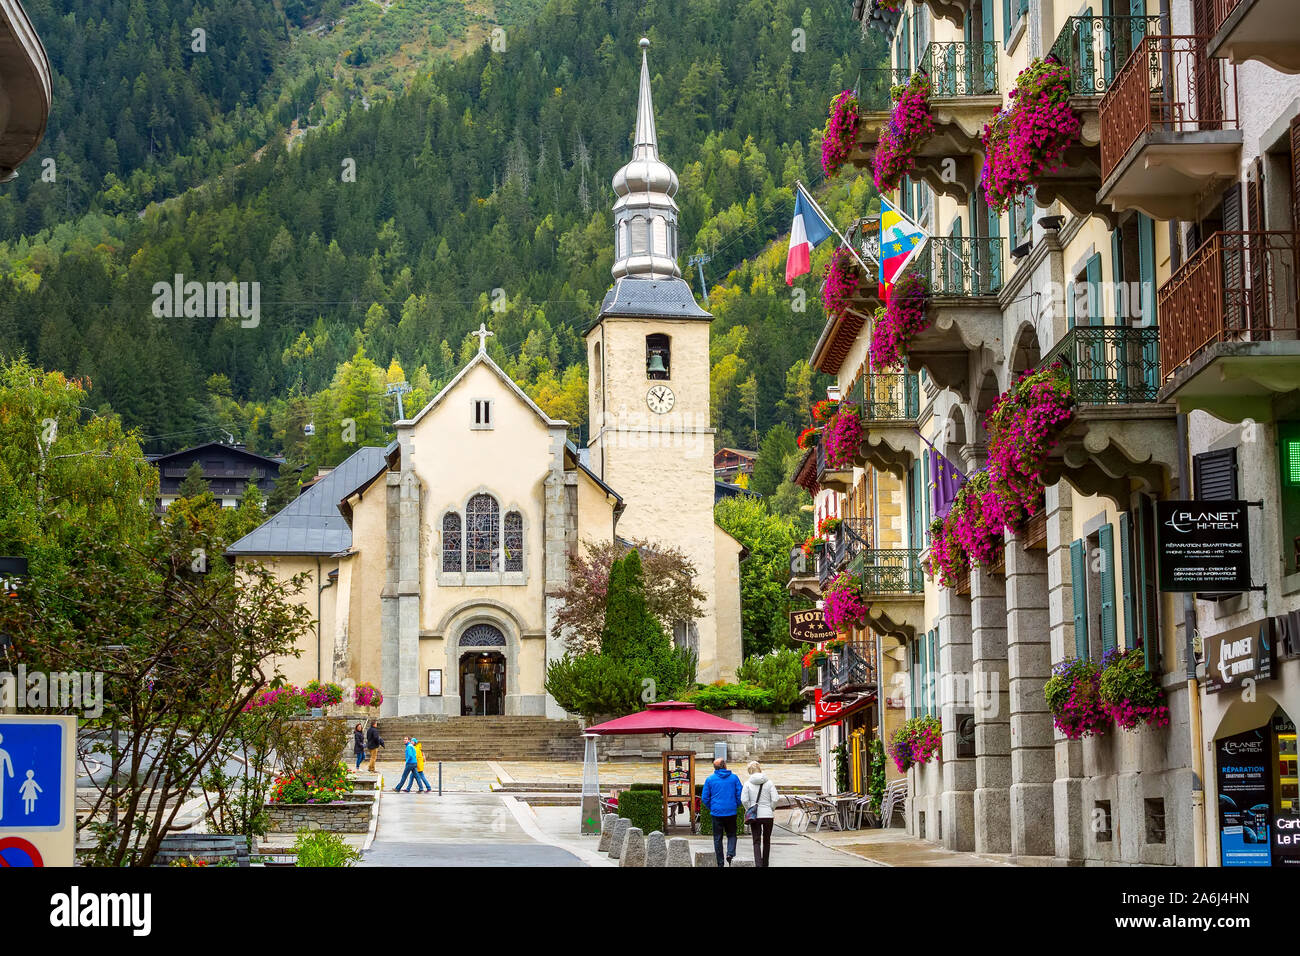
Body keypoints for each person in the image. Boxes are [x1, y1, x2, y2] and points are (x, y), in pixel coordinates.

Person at [701, 757, 743, 867]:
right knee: (732, 835)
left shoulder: (710, 779)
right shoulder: (734, 778)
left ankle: (720, 863)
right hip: (731, 812)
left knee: (717, 838)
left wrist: (713, 807)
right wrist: (735, 805)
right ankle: (730, 854)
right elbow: (740, 795)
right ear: (725, 765)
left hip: (716, 813)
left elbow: (705, 798)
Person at [741, 761, 779, 867]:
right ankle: (765, 863)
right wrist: (771, 808)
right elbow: (775, 798)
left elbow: (744, 800)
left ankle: (758, 864)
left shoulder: (747, 784)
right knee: (767, 840)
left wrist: (749, 808)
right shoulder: (769, 782)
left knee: (756, 840)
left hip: (755, 815)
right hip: (768, 815)